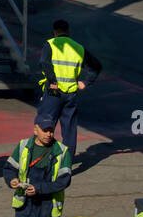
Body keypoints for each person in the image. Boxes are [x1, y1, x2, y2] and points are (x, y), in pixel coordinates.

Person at [37, 19, 101, 161]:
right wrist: (86, 82)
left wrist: (52, 80)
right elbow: (96, 66)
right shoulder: (78, 48)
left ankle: (42, 159)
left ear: (55, 32)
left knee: (45, 125)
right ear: (68, 31)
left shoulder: (51, 44)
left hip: (54, 93)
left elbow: (44, 63)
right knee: (70, 130)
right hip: (71, 94)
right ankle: (67, 162)